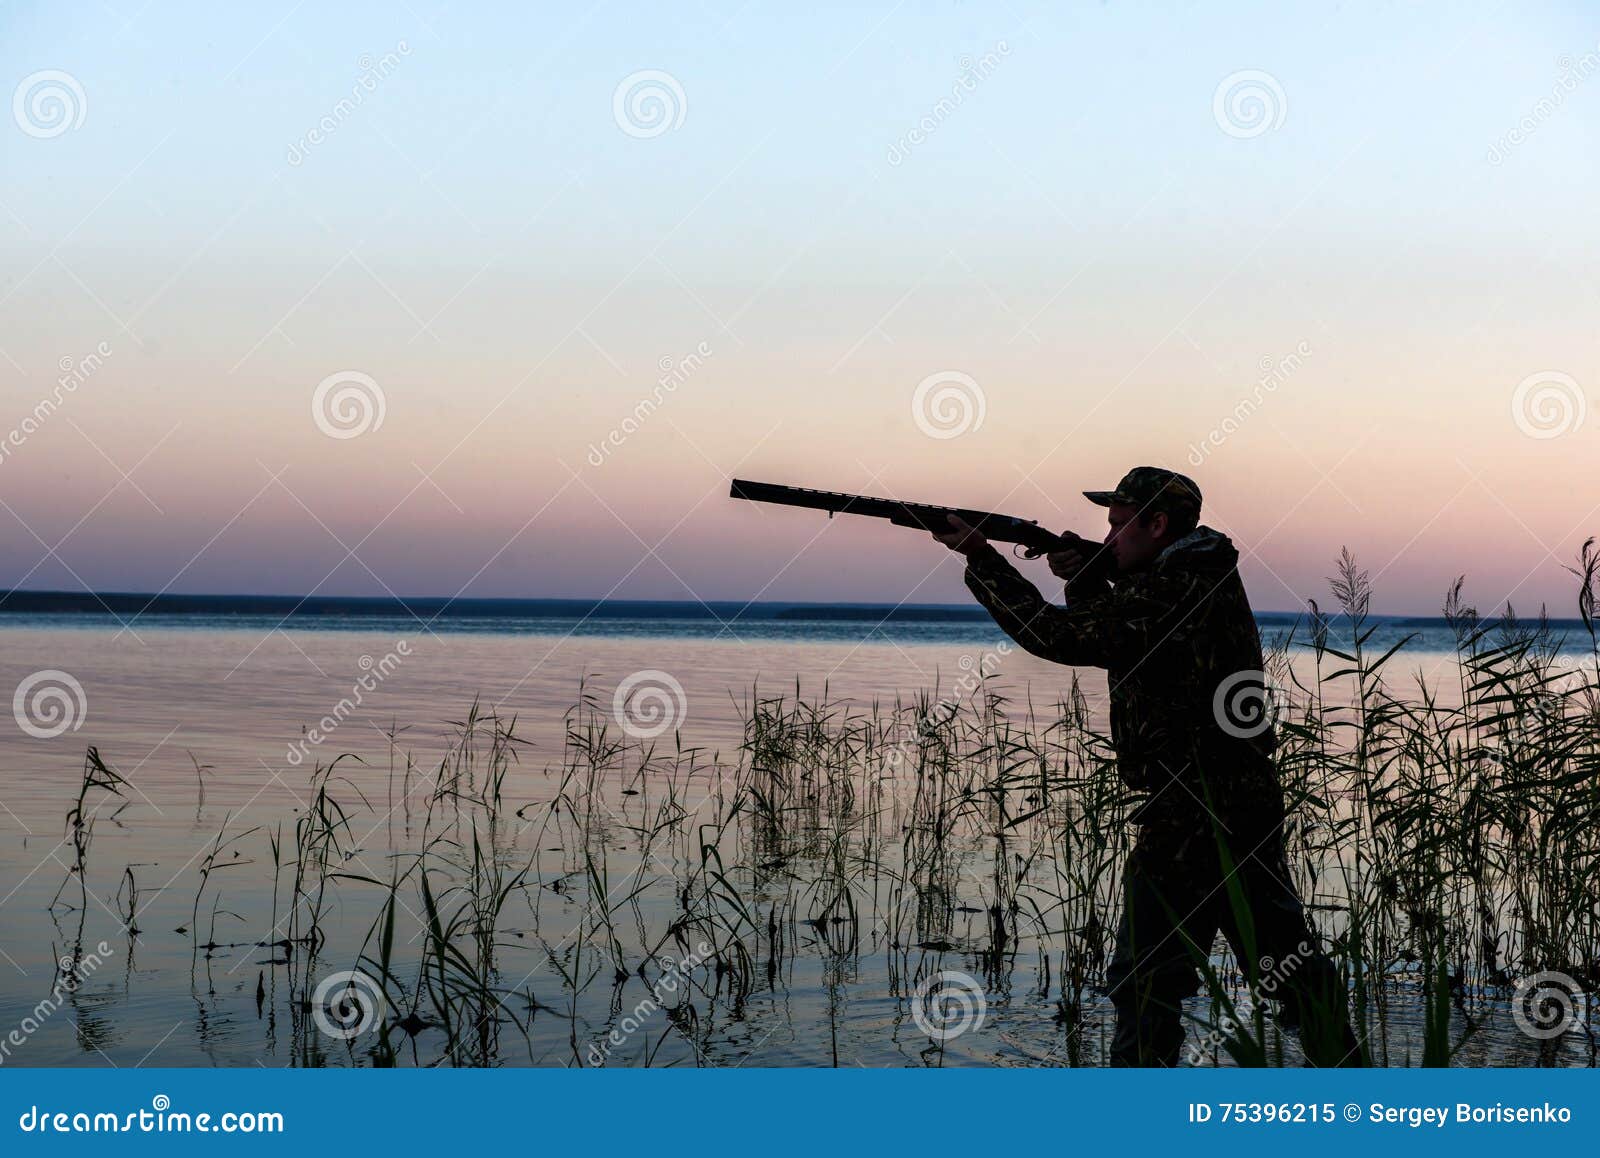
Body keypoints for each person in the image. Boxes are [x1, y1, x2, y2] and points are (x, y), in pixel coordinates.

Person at [932, 466, 1361, 1067]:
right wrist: (1085, 574)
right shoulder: (1186, 575)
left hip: (1196, 804)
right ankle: (1354, 1081)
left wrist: (983, 558)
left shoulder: (1177, 584)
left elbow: (1058, 637)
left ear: (1158, 524)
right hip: (1231, 798)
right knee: (1282, 965)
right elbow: (1117, 638)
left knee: (1147, 977)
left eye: (1117, 525)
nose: (1108, 539)